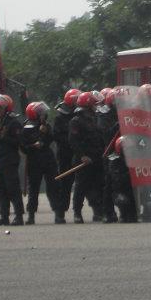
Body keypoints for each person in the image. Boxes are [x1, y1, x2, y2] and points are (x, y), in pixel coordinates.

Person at [19, 101, 64, 224]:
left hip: (48, 160)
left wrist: (45, 133)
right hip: (34, 161)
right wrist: (33, 145)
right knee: (33, 189)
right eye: (41, 113)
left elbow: (51, 138)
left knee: (54, 187)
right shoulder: (26, 129)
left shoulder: (46, 126)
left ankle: (58, 214)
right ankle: (31, 215)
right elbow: (23, 147)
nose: (44, 115)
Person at [68, 90, 105, 223]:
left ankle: (98, 212)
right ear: (89, 105)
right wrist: (82, 156)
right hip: (83, 160)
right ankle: (77, 213)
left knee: (97, 186)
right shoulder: (76, 121)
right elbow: (74, 141)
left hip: (96, 159)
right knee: (81, 187)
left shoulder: (95, 119)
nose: (96, 107)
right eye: (94, 104)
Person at [0, 94, 24, 226]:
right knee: (2, 191)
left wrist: (4, 138)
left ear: (6, 108)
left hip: (10, 161)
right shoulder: (1, 122)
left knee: (13, 189)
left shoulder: (13, 123)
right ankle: (4, 217)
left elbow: (18, 142)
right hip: (0, 160)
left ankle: (19, 216)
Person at [52, 89, 79, 220]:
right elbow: (56, 136)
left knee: (84, 183)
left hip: (79, 153)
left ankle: (96, 210)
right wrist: (70, 141)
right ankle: (60, 212)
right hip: (65, 155)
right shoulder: (60, 117)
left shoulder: (81, 115)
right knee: (64, 184)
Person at [96, 88, 120, 223]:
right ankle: (108, 212)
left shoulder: (126, 112)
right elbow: (105, 132)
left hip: (127, 149)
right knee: (109, 182)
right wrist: (117, 125)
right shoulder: (103, 114)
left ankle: (128, 210)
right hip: (110, 150)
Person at [104, 136, 137, 223]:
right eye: (126, 148)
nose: (129, 150)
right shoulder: (114, 160)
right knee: (122, 200)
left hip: (134, 189)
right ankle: (123, 214)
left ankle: (139, 213)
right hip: (120, 190)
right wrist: (131, 173)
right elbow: (118, 179)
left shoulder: (136, 158)